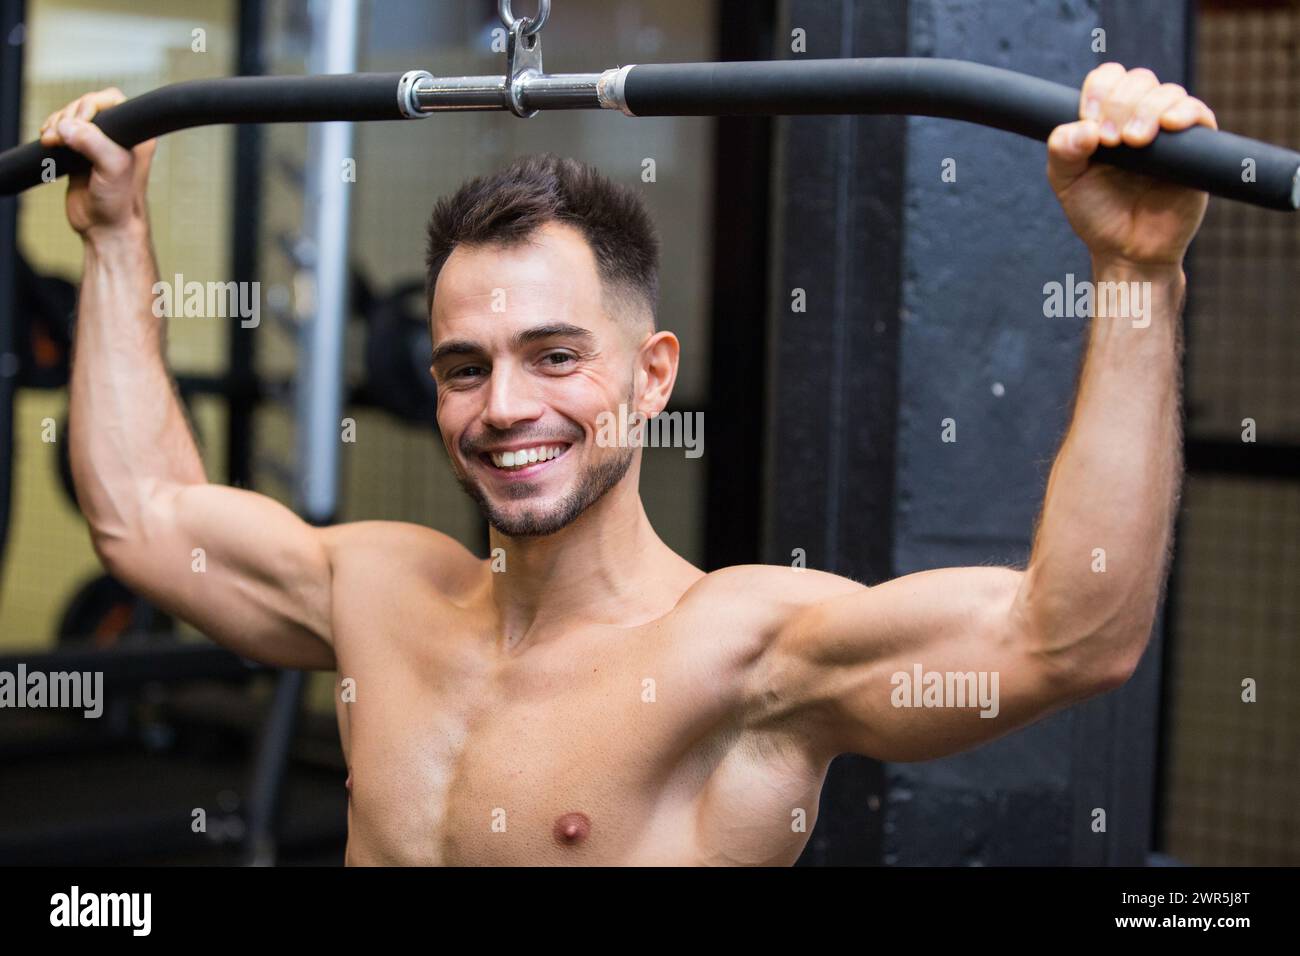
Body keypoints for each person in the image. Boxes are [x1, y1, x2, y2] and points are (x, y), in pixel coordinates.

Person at [39, 63, 1215, 865]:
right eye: (463, 366)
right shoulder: (377, 593)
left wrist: (1133, 271)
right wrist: (115, 236)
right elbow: (144, 515)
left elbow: (1069, 637)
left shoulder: (743, 649)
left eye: (555, 356)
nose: (505, 407)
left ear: (653, 375)